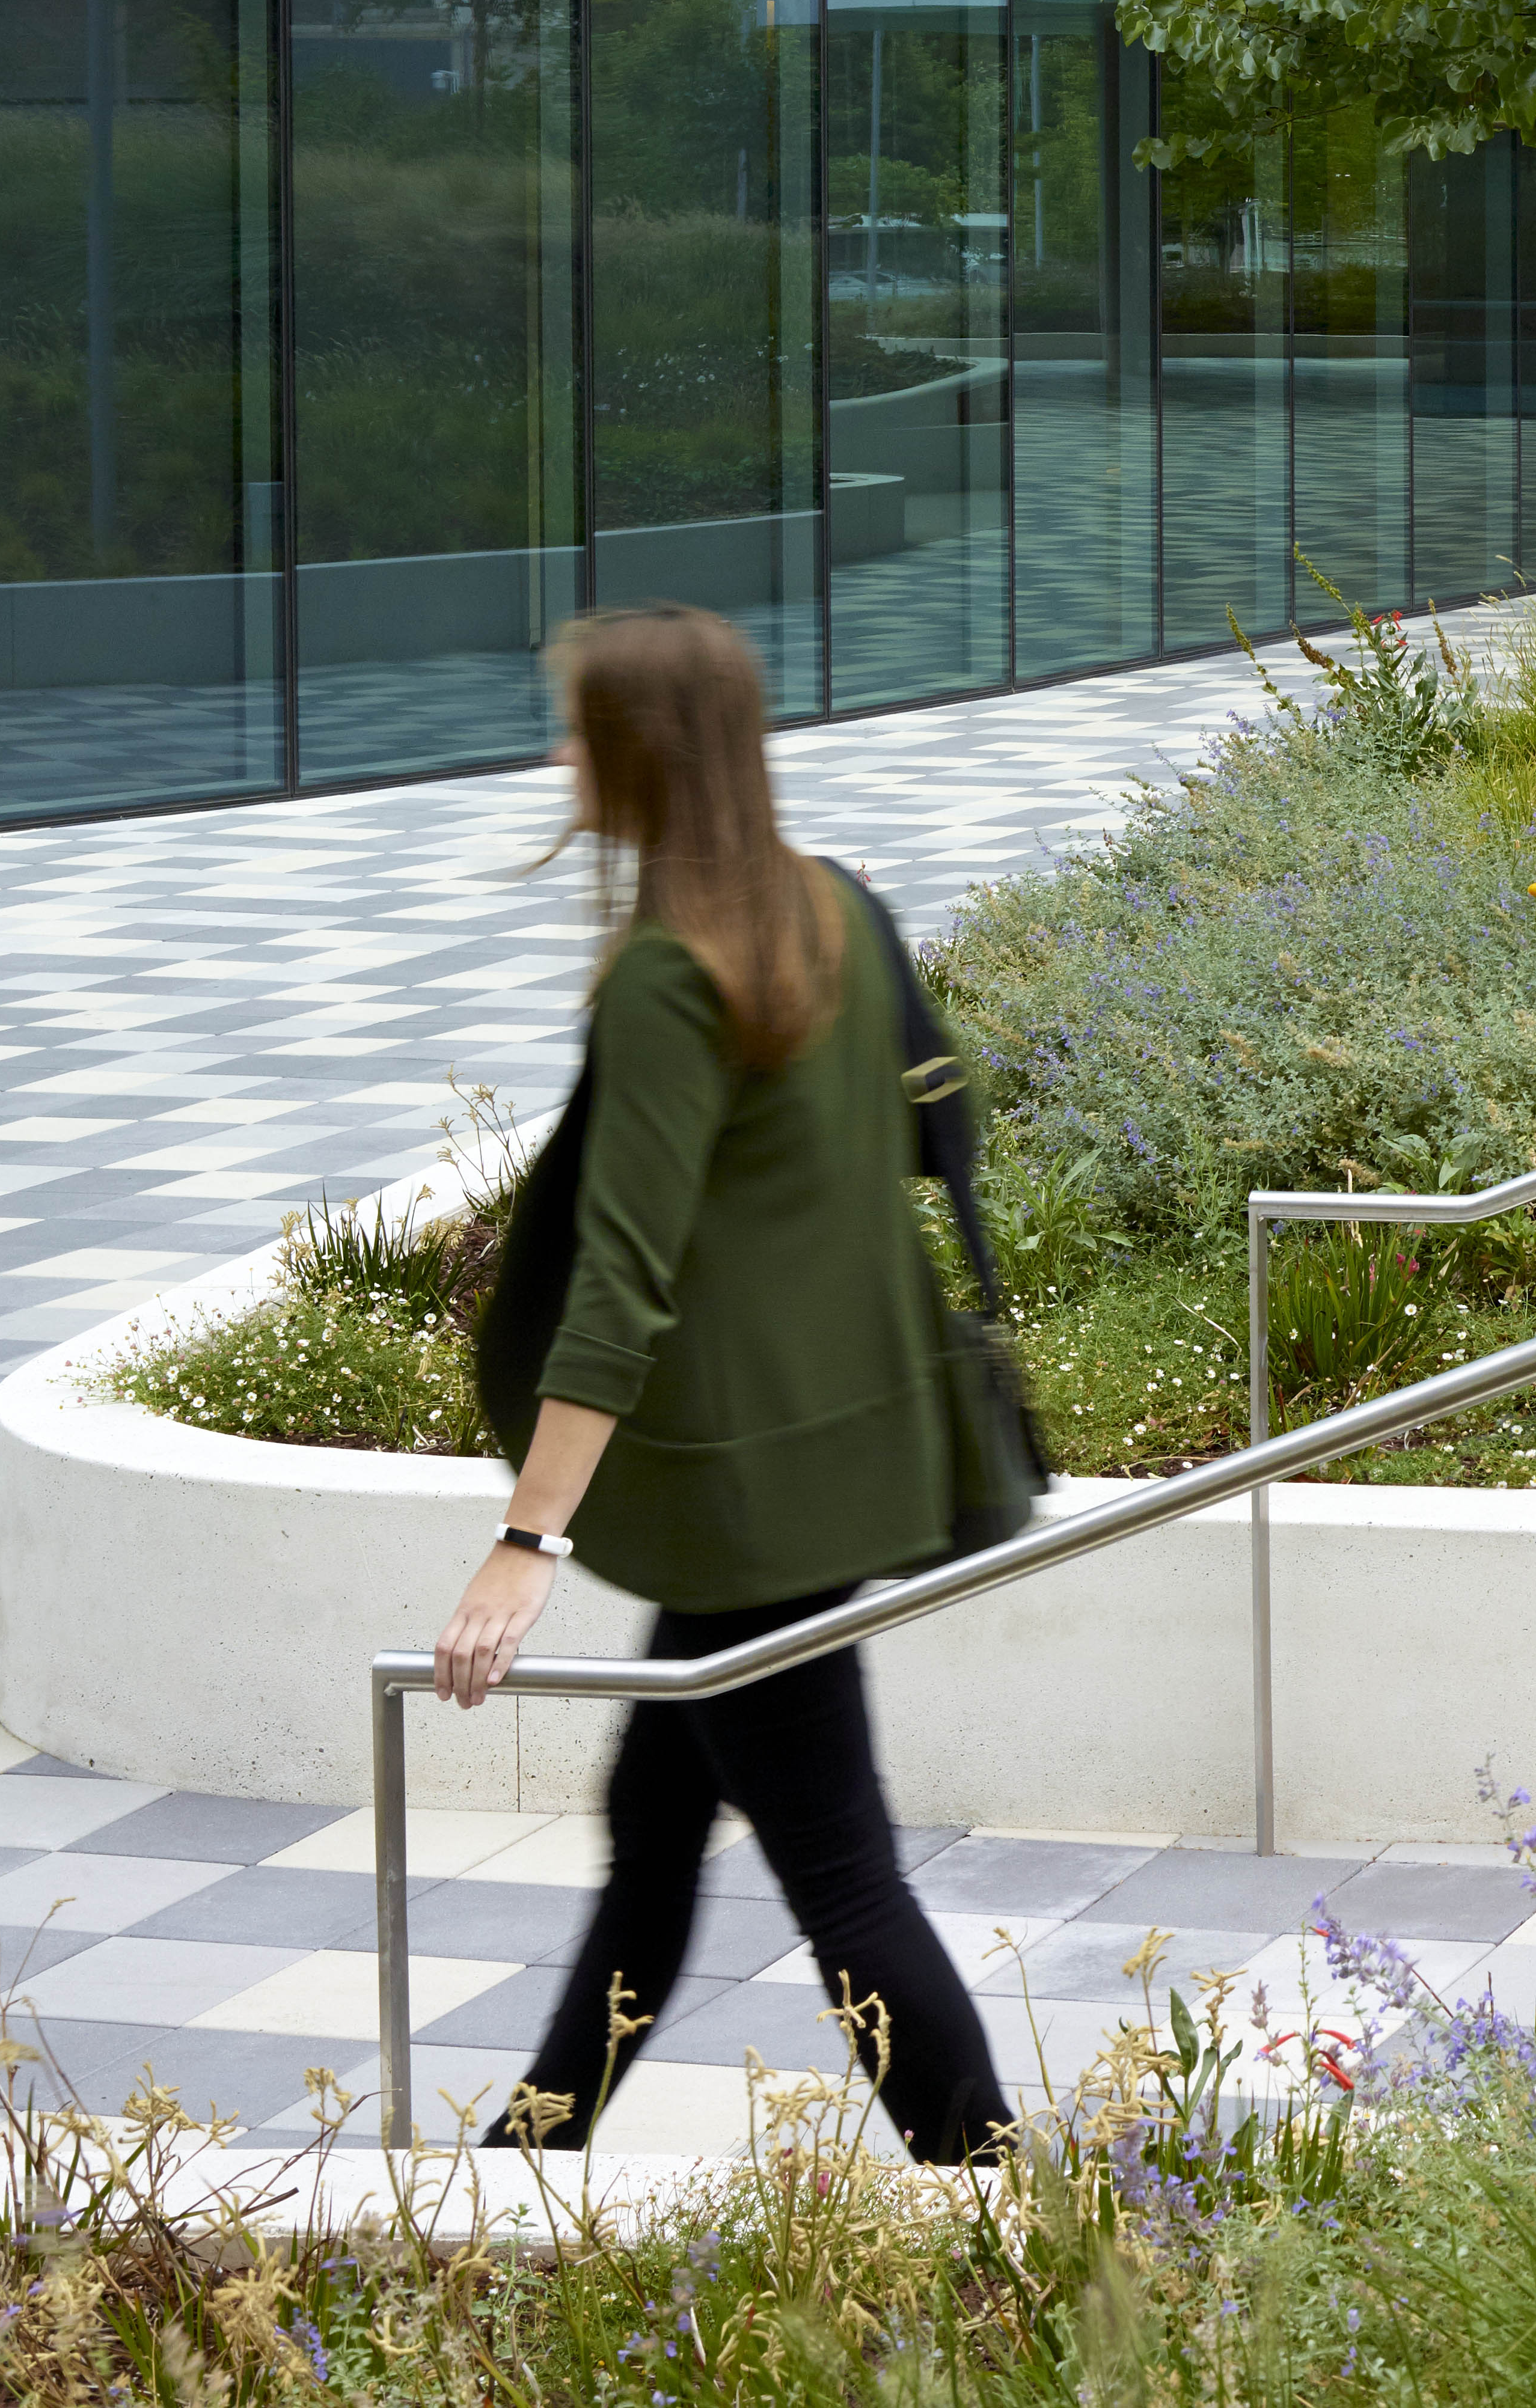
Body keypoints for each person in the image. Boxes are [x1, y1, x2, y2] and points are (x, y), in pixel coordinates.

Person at [432, 605, 1015, 2164]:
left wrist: (528, 1536)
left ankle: (1011, 2199)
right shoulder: (836, 908)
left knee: (841, 1871)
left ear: (638, 753)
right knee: (653, 1831)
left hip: (745, 1500)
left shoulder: (668, 977)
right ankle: (527, 2160)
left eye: (578, 728)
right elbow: (905, 1147)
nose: (558, 757)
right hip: (838, 1455)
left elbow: (623, 1278)